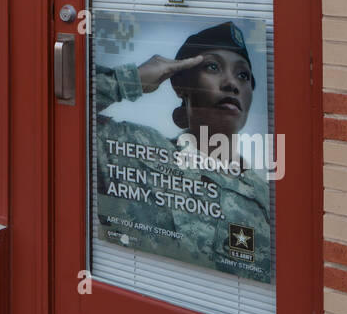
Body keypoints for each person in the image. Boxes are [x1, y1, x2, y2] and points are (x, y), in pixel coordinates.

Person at [93, 20, 272, 282]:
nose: (232, 84)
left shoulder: (266, 196)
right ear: (182, 85)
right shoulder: (138, 150)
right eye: (213, 67)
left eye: (243, 76)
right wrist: (131, 80)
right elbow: (53, 110)